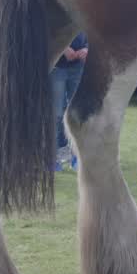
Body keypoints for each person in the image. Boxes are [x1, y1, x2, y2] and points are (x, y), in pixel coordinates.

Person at [51, 33, 87, 172]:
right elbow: (48, 32)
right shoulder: (59, 11)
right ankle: (52, 158)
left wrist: (86, 48)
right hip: (57, 68)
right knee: (56, 115)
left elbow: (91, 33)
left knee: (77, 113)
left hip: (78, 68)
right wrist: (64, 48)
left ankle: (76, 157)